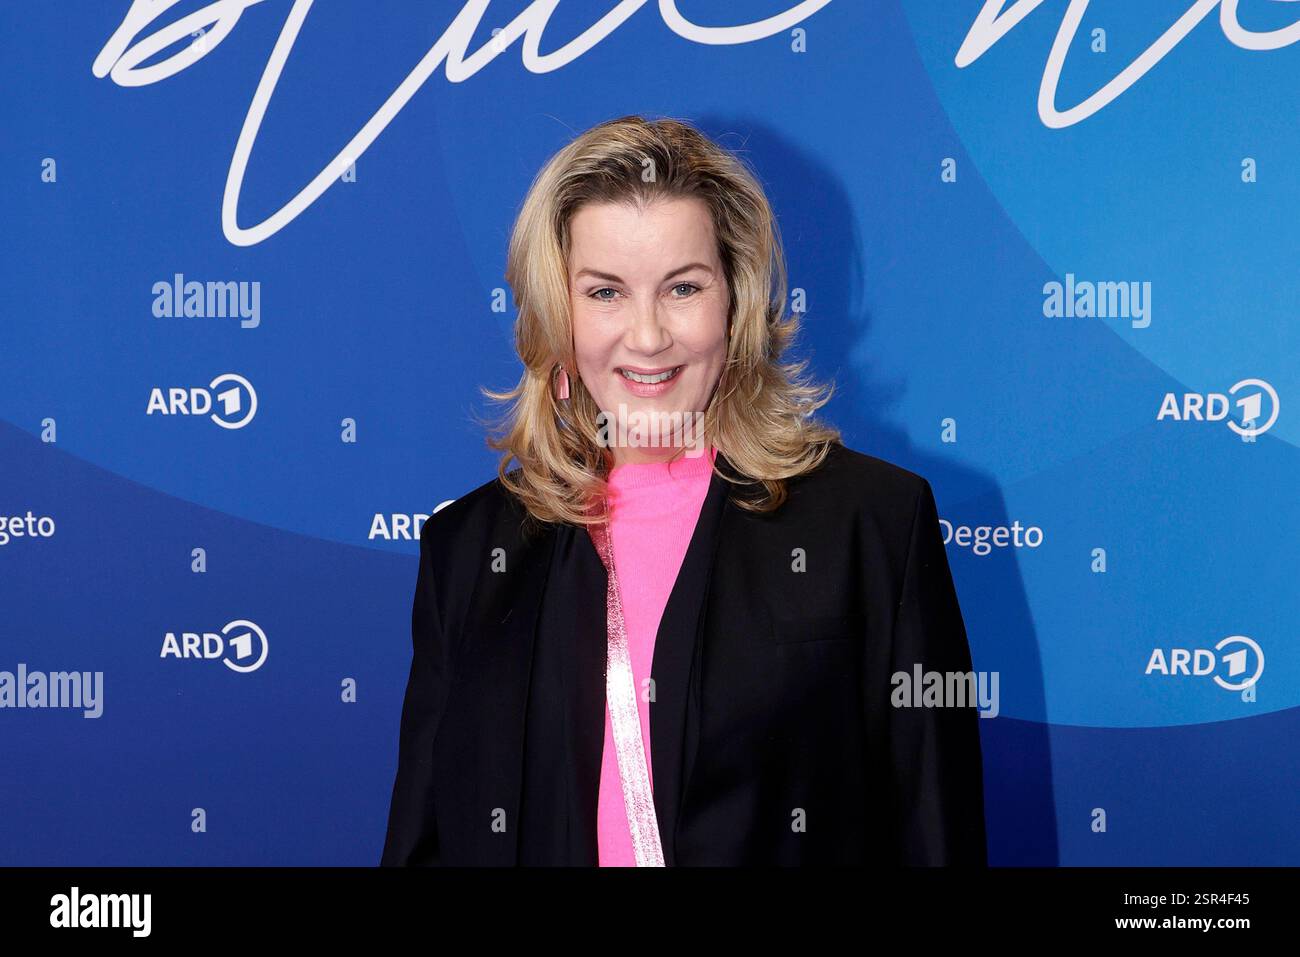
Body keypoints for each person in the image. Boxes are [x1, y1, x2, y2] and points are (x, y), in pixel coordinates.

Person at [381, 115, 987, 866]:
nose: (646, 335)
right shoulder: (469, 551)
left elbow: (936, 834)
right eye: (605, 292)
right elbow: (423, 841)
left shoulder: (870, 526)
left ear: (734, 304)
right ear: (555, 314)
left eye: (683, 288)